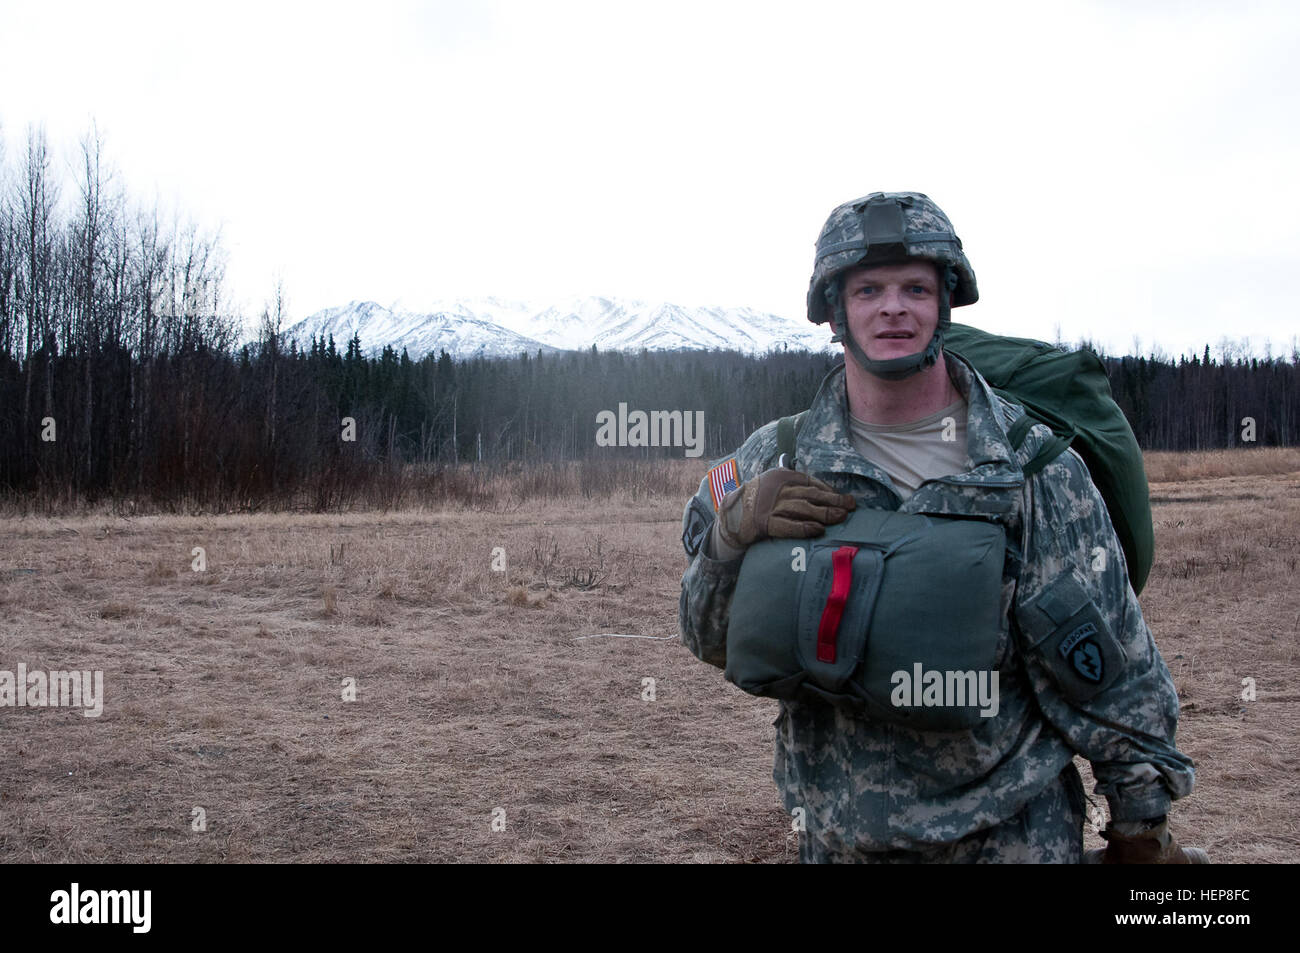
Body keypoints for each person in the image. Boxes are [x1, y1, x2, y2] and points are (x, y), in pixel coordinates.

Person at [677, 191, 1200, 863]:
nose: (892, 305)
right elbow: (706, 637)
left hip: (1009, 839)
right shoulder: (775, 459)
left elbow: (1113, 672)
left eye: (915, 288)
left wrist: (1141, 829)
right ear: (833, 313)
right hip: (836, 842)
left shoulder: (1031, 470)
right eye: (867, 289)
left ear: (943, 305)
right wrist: (727, 540)